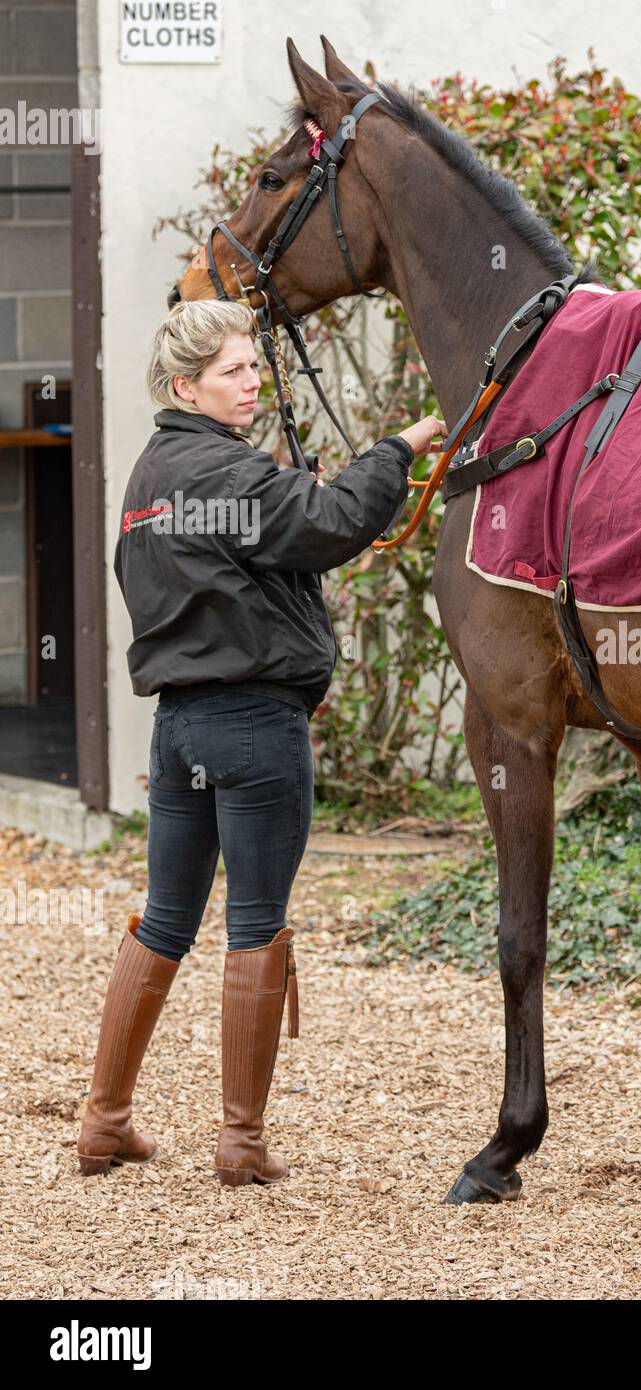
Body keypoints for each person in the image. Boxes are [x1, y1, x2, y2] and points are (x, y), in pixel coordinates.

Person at [77, 298, 445, 1185]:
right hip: (254, 729)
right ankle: (240, 1145)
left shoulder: (145, 481)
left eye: (252, 365)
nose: (252, 382)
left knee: (164, 922)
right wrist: (401, 448)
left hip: (178, 731)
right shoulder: (226, 475)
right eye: (233, 371)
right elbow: (327, 526)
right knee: (255, 926)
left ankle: (103, 1124)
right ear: (184, 386)